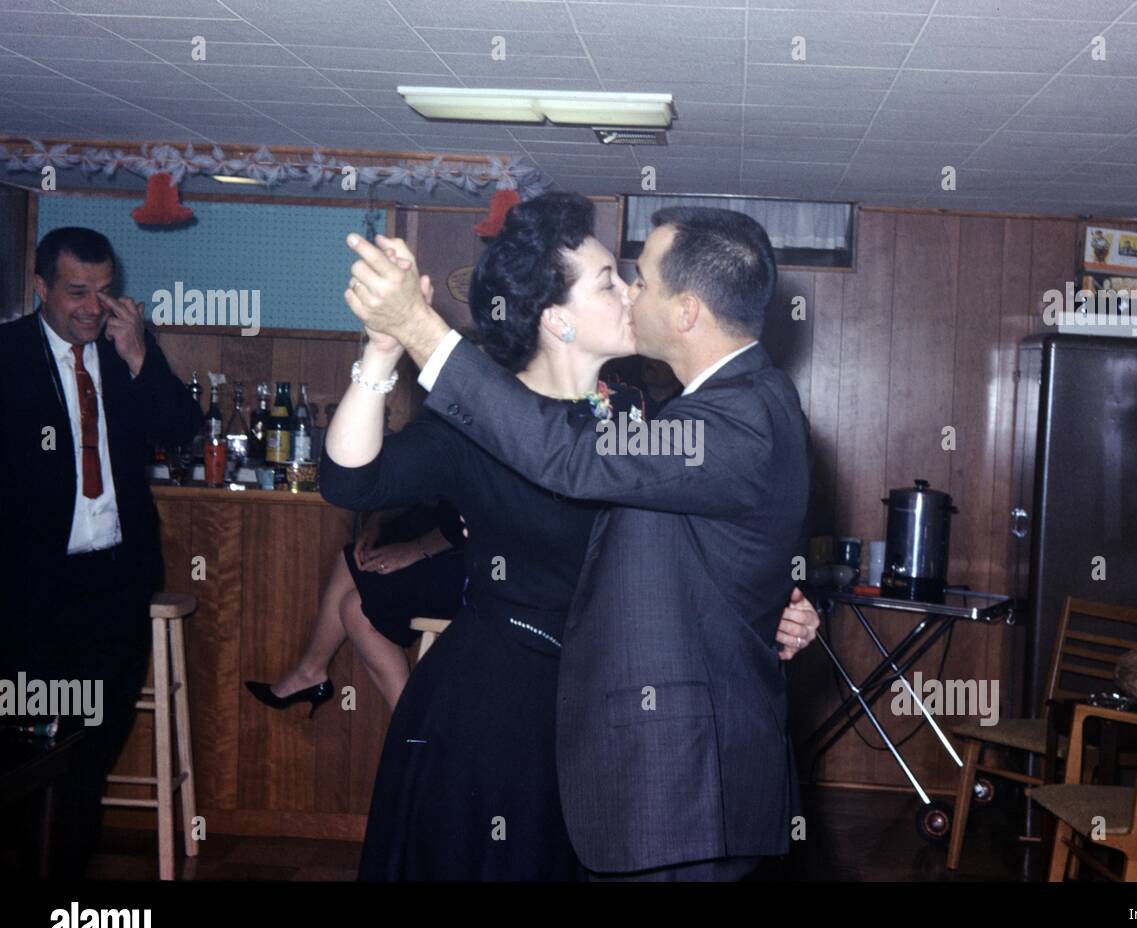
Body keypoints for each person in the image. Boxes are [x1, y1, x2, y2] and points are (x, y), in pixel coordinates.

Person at [321, 192, 817, 880]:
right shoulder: (487, 416)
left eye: (632, 277)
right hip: (505, 711)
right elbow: (353, 482)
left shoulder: (655, 413)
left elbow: (630, 490)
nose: (628, 293)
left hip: (624, 733)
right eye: (611, 279)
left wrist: (767, 603)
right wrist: (382, 350)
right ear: (555, 318)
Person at [0, 227, 203, 877]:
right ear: (40, 289)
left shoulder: (124, 349)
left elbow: (181, 433)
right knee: (30, 757)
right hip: (31, 593)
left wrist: (141, 353)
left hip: (114, 587)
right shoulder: (7, 358)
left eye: (104, 291)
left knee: (92, 754)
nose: (93, 307)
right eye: (76, 291)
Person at [245, 501, 465, 713]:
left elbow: (472, 518)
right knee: (355, 603)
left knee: (355, 585)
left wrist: (415, 550)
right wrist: (375, 523)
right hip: (444, 545)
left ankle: (311, 672)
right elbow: (417, 490)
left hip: (481, 572)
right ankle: (413, 734)